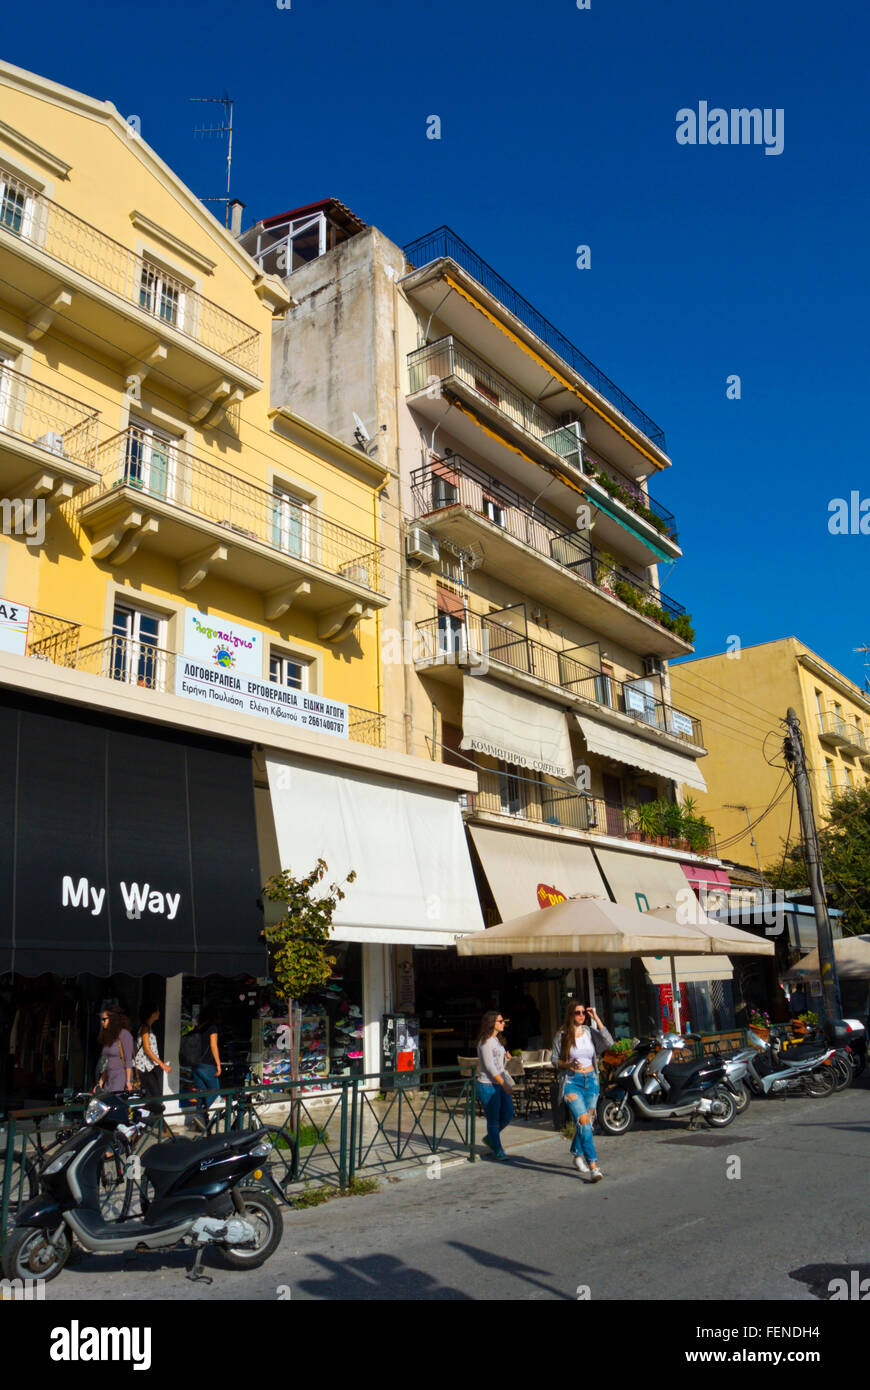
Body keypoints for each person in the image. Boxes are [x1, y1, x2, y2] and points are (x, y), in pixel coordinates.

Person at [552, 999, 613, 1182]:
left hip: (591, 1081)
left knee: (588, 1121)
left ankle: (577, 1154)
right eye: (577, 1012)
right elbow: (554, 1060)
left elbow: (608, 1043)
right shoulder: (562, 1035)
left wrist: (597, 1018)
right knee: (584, 1122)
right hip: (572, 1082)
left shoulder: (588, 1032)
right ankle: (594, 1167)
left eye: (583, 1013)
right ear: (570, 1014)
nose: (581, 1015)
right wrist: (568, 1064)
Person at [476, 1010, 513, 1160]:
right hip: (488, 1084)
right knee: (493, 1119)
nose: (504, 1023)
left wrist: (506, 1059)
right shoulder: (485, 1043)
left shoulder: (497, 1040)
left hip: (500, 1080)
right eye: (500, 1021)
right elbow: (490, 1067)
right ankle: (497, 1149)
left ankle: (491, 1138)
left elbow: (497, 1065)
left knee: (508, 1113)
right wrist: (504, 1084)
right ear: (492, 1023)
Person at [134, 1005, 172, 1130]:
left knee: (152, 1098)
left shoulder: (148, 1028)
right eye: (157, 1011)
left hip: (148, 1067)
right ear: (152, 1013)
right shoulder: (145, 1028)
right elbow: (147, 1049)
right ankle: (162, 1129)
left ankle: (154, 1126)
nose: (159, 1013)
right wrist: (161, 1064)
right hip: (144, 1068)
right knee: (155, 1097)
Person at [188, 1008, 222, 1127]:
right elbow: (213, 1045)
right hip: (207, 1064)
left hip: (195, 1064)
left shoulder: (198, 1027)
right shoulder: (212, 1027)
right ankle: (201, 1115)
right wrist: (218, 1063)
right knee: (215, 1090)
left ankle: (200, 1119)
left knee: (202, 1092)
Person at [95, 1006, 134, 1094]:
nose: (102, 1022)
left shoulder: (124, 1034)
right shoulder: (108, 1036)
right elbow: (106, 1061)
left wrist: (128, 1081)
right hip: (109, 1078)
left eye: (104, 1019)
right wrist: (101, 1080)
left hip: (120, 1077)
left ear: (112, 1019)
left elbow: (128, 1060)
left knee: (115, 1103)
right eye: (101, 1019)